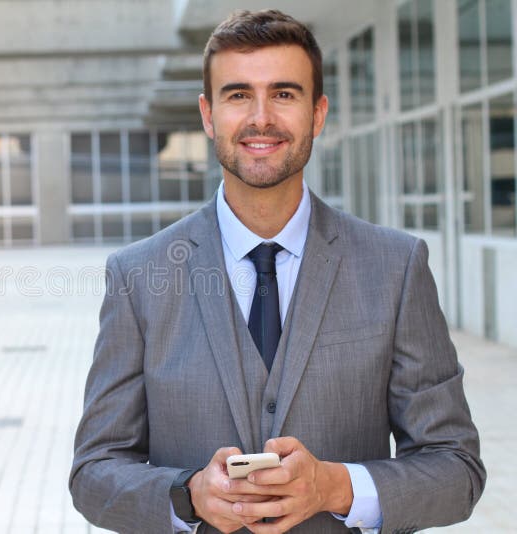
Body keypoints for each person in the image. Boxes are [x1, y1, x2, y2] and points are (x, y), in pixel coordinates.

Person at [69, 9, 485, 534]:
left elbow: (458, 469)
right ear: (208, 114)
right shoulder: (137, 276)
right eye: (238, 94)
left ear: (317, 113)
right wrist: (188, 494)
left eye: (284, 94)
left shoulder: (395, 267)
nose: (260, 118)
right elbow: (93, 474)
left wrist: (335, 486)